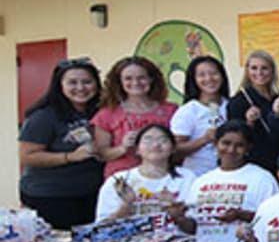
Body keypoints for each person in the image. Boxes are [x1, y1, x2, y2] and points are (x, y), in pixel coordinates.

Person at [176, 121, 278, 242]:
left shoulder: (262, 178)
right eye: (226, 143)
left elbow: (272, 221)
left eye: (239, 145)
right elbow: (193, 227)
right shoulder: (201, 181)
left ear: (248, 148)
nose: (231, 150)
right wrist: (178, 217)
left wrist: (241, 215)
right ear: (215, 144)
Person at [17, 58, 105, 229]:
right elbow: (27, 156)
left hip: (93, 193)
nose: (80, 88)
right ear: (60, 85)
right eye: (72, 82)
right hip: (52, 196)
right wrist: (70, 157)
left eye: (87, 82)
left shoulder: (102, 111)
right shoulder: (44, 116)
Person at [94, 123, 195, 231]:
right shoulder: (120, 181)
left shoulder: (187, 178)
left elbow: (194, 228)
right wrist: (126, 205)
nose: (155, 145)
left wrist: (178, 216)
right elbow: (101, 228)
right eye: (148, 140)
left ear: (173, 148)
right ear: (137, 149)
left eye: (163, 140)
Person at [91, 56, 178, 179]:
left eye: (141, 78)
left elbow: (179, 146)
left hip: (163, 176)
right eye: (128, 79)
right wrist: (123, 148)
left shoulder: (171, 110)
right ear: (119, 82)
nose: (135, 83)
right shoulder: (107, 114)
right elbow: (101, 154)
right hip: (123, 178)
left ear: (151, 79)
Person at [226, 50, 279, 174]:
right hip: (255, 164)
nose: (259, 73)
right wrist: (249, 122)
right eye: (254, 68)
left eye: (264, 68)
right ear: (247, 70)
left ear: (272, 70)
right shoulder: (239, 101)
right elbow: (235, 137)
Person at [171, 56, 230, 177]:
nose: (209, 79)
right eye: (202, 75)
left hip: (229, 174)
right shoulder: (188, 111)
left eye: (214, 73)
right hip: (197, 175)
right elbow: (175, 151)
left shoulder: (231, 105)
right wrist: (204, 139)